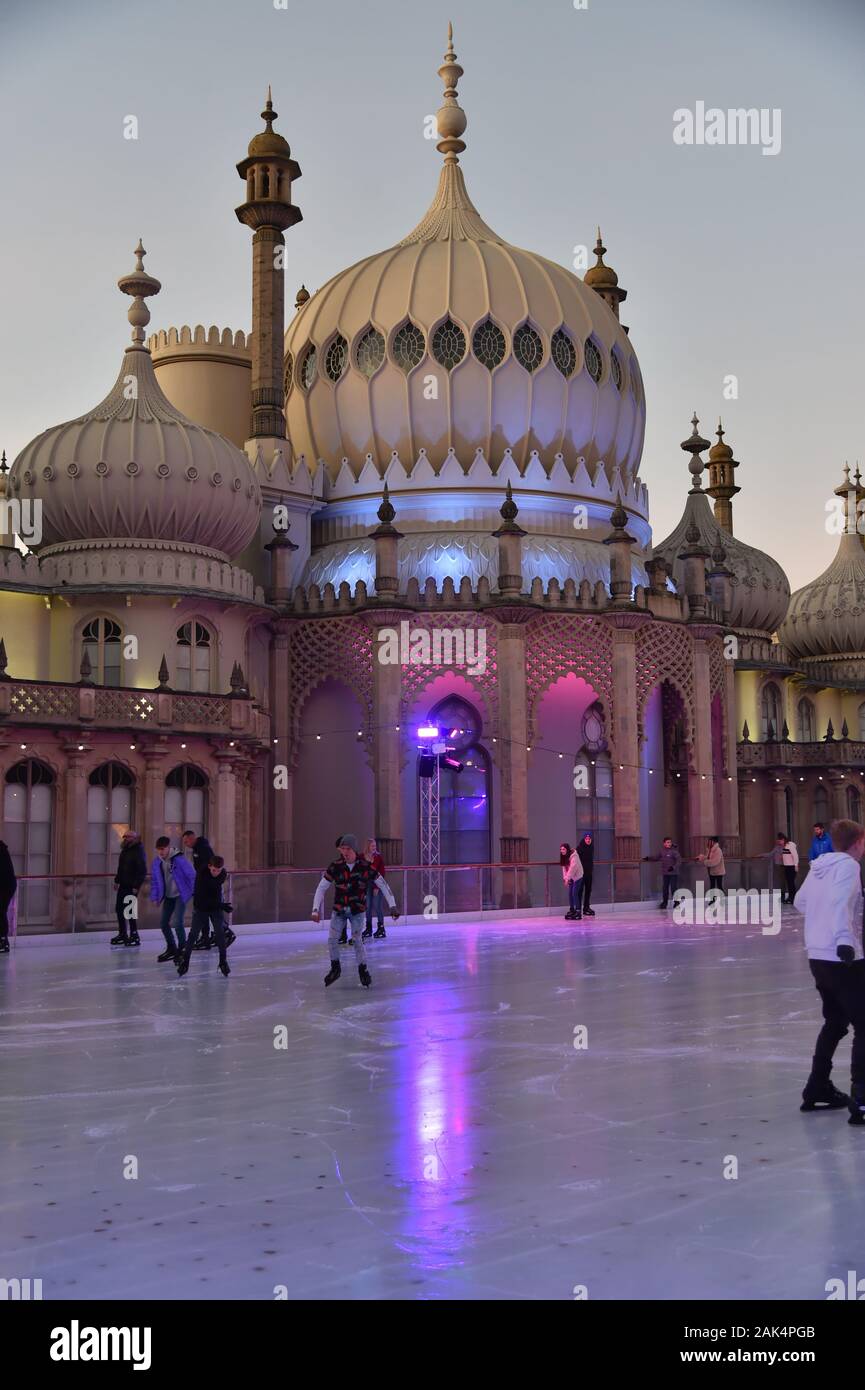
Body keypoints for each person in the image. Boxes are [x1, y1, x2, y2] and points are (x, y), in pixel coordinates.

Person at [793, 817, 865, 1122]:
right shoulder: (849, 866)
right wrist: (842, 938)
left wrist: (822, 928)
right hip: (842, 956)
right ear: (858, 842)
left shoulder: (819, 866)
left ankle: (817, 1087)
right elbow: (838, 903)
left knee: (835, 1022)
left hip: (818, 956)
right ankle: (861, 1099)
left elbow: (799, 901)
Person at [311, 834, 399, 988]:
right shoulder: (335, 866)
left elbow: (383, 884)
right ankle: (335, 968)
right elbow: (321, 887)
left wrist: (392, 906)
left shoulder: (365, 866)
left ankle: (363, 970)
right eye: (343, 849)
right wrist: (315, 909)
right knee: (332, 940)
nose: (345, 852)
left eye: (348, 849)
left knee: (357, 940)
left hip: (357, 911)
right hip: (339, 910)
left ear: (354, 850)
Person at [176, 855, 232, 978]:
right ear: (209, 866)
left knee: (220, 934)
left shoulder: (222, 874)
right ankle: (185, 962)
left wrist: (220, 905)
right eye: (213, 870)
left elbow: (215, 891)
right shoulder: (202, 877)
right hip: (201, 907)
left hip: (215, 907)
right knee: (193, 935)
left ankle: (223, 962)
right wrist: (221, 905)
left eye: (219, 870)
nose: (216, 873)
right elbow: (203, 900)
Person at [150, 837, 195, 962]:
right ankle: (171, 947)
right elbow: (155, 881)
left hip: (180, 895)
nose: (161, 852)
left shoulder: (179, 859)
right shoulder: (157, 862)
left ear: (168, 847)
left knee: (177, 922)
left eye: (163, 849)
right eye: (158, 849)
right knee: (164, 923)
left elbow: (191, 875)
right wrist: (155, 897)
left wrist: (194, 892)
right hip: (168, 896)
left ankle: (182, 947)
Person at [111, 831, 147, 948]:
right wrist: (117, 880)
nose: (125, 838)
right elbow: (121, 868)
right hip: (123, 884)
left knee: (130, 911)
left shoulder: (138, 851)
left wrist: (136, 886)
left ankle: (134, 934)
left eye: (128, 837)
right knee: (119, 908)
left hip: (132, 886)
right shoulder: (125, 850)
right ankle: (122, 933)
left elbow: (142, 870)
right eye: (125, 837)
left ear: (135, 838)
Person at [182, 830, 215, 949]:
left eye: (186, 841)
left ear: (192, 838)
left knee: (204, 911)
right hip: (202, 884)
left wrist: (202, 877)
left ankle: (208, 937)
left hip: (205, 885)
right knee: (202, 911)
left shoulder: (203, 848)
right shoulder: (197, 849)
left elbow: (208, 864)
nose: (185, 844)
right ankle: (205, 937)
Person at [361, 837, 388, 940]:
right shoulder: (362, 857)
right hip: (367, 885)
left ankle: (381, 929)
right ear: (367, 846)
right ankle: (368, 929)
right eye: (372, 846)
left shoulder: (378, 857)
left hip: (377, 884)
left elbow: (381, 872)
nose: (374, 847)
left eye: (375, 846)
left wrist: (377, 886)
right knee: (367, 906)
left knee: (377, 906)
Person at [0, 840, 16, 953]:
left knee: (0, 911)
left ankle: (2, 940)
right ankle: (2, 940)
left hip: (5, 885)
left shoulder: (1, 849)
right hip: (6, 884)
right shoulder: (2, 849)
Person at [657, 837, 682, 909]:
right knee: (665, 888)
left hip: (673, 873)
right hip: (665, 873)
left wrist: (673, 867)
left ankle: (676, 902)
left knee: (673, 888)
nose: (669, 844)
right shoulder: (662, 851)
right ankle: (664, 903)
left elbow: (679, 861)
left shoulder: (674, 851)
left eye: (670, 842)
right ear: (664, 843)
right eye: (667, 842)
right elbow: (656, 857)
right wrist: (648, 858)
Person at [562, 841, 583, 921]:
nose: (562, 851)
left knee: (574, 892)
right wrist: (565, 878)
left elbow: (572, 869)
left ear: (567, 849)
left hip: (578, 876)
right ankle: (572, 909)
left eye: (563, 849)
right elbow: (564, 868)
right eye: (561, 849)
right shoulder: (564, 856)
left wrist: (567, 879)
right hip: (571, 877)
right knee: (570, 893)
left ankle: (578, 911)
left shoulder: (574, 857)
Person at [776, 832, 799, 905]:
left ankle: (793, 898)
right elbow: (786, 855)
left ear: (783, 839)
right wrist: (782, 857)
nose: (780, 843)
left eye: (780, 841)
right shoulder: (784, 846)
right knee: (789, 883)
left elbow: (795, 856)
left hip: (791, 867)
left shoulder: (790, 846)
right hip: (786, 866)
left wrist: (796, 865)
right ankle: (790, 897)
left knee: (791, 883)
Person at [576, 833, 595, 917]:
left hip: (589, 873)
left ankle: (586, 907)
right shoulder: (580, 848)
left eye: (589, 839)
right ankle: (578, 908)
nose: (588, 840)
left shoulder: (591, 847)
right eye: (586, 839)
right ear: (584, 839)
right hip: (581, 873)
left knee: (588, 890)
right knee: (580, 891)